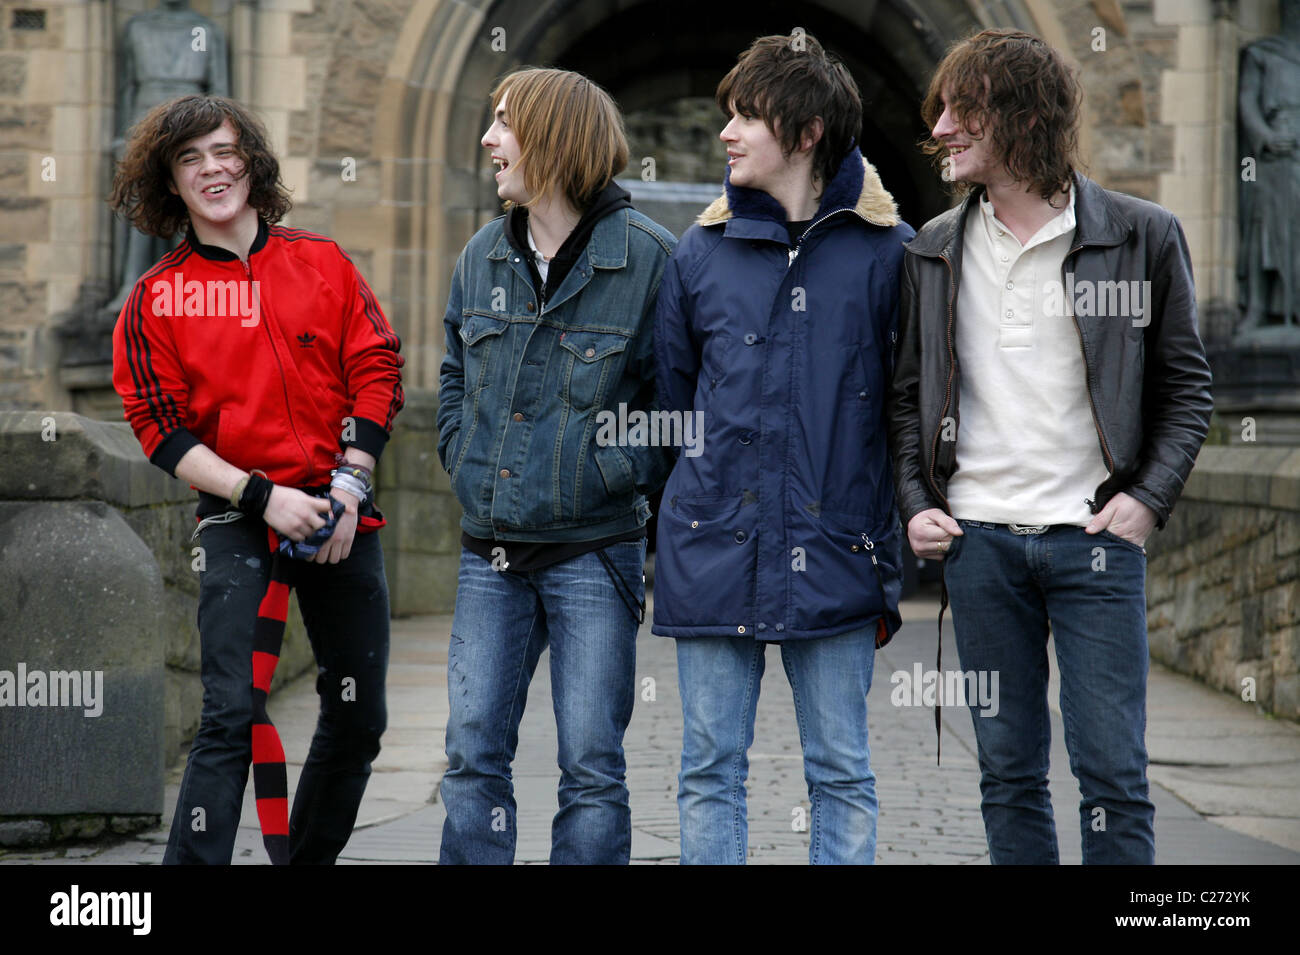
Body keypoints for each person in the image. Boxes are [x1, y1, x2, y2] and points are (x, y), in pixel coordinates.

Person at [889, 29, 1213, 865]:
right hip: (981, 547)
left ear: (1024, 117)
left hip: (1095, 544)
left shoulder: (1142, 236)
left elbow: (1186, 390)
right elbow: (906, 400)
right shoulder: (931, 250)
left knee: (1111, 771)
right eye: (940, 111)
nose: (944, 128)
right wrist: (921, 504)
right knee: (1008, 771)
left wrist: (1147, 499)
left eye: (965, 110)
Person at [110, 94, 405, 864]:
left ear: (252, 162)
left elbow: (376, 368)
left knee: (359, 715)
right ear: (169, 182)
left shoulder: (323, 263)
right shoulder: (154, 300)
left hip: (342, 508)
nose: (213, 169)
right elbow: (159, 429)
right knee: (230, 712)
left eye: (225, 151)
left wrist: (349, 486)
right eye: (190, 158)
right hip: (239, 516)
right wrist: (261, 496)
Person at [653, 32, 914, 865]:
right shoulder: (700, 252)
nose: (726, 132)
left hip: (838, 548)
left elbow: (908, 410)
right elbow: (671, 407)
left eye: (747, 117)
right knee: (707, 768)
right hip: (711, 547)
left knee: (839, 769)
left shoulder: (891, 254)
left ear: (805, 134)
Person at [435, 67, 676, 865]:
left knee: (592, 768)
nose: (488, 141)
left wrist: (612, 469)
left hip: (594, 551)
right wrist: (461, 456)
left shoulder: (649, 261)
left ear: (552, 137)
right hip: (490, 551)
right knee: (472, 757)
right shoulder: (481, 255)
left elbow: (682, 406)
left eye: (504, 124)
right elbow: (453, 374)